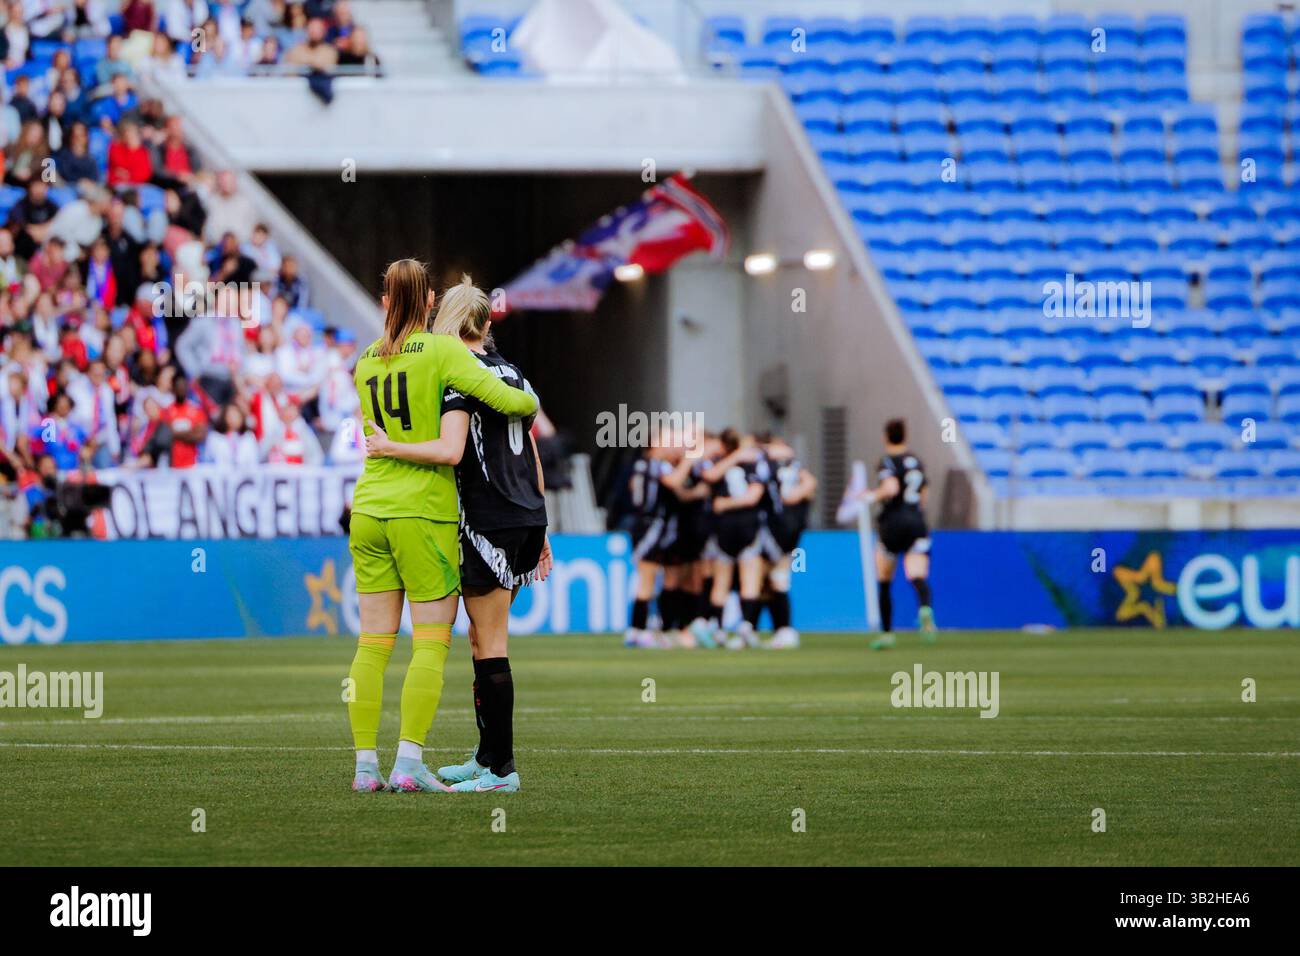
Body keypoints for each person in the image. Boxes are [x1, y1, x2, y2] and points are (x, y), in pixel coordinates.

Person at [345, 259, 538, 794]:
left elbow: (374, 431)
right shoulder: (442, 350)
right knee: (430, 643)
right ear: (430, 302)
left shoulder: (362, 362)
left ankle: (365, 768)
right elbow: (514, 402)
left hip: (368, 509)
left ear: (385, 301)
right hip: (422, 511)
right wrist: (529, 397)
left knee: (371, 644)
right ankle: (408, 764)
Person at [869, 418, 935, 650]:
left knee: (885, 580)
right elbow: (924, 495)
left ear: (886, 436)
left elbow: (891, 488)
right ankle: (925, 609)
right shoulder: (916, 462)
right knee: (917, 575)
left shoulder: (887, 461)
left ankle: (887, 633)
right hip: (916, 521)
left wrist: (871, 496)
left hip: (892, 522)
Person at [759, 433, 816, 650]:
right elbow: (811, 483)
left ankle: (784, 630)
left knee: (776, 578)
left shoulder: (772, 463)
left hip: (780, 526)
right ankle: (780, 631)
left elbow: (808, 484)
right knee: (770, 579)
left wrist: (792, 495)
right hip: (790, 526)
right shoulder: (792, 465)